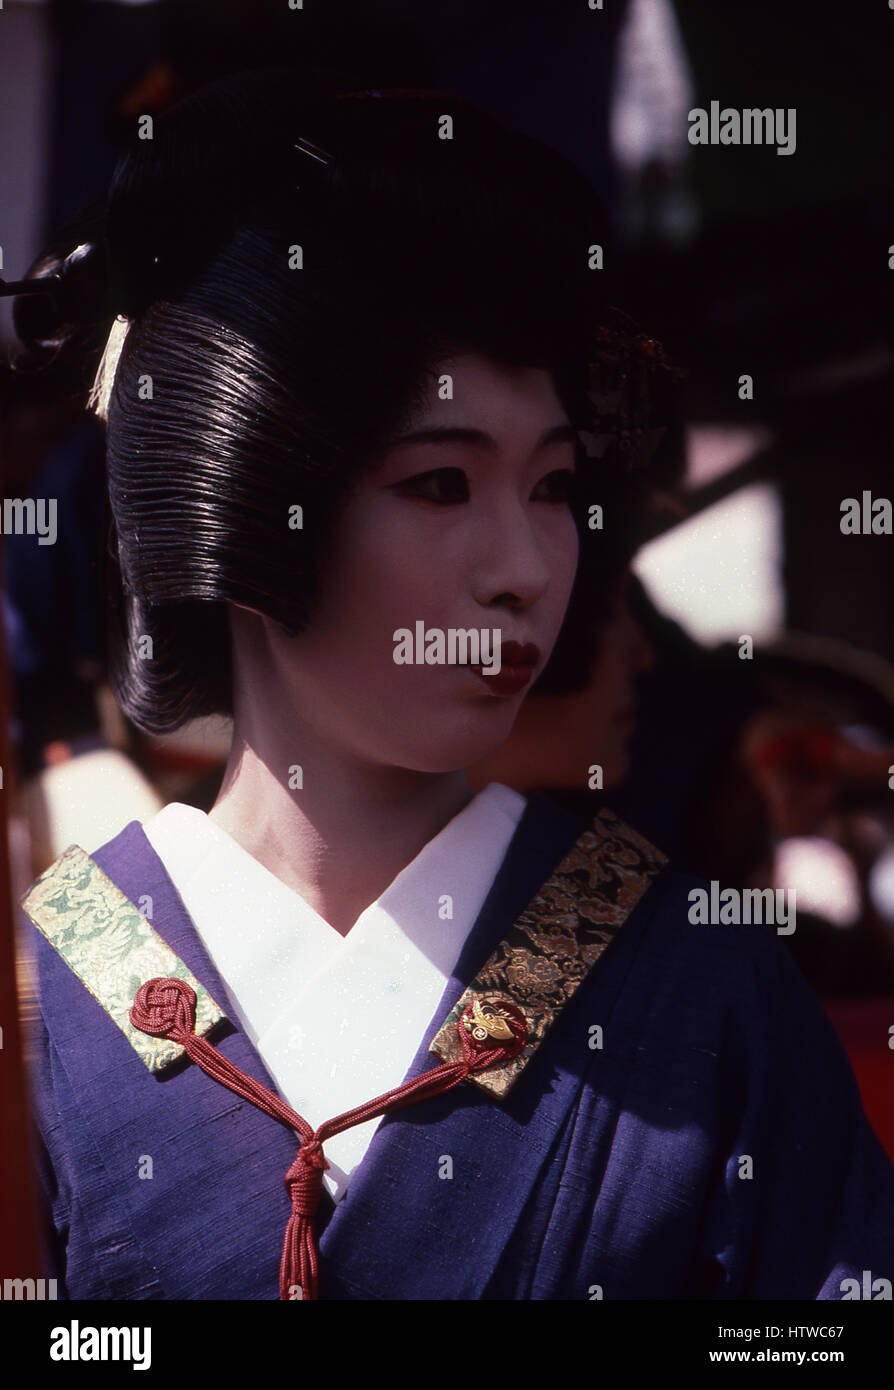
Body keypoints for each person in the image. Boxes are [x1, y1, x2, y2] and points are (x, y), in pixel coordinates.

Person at [10, 68, 894, 1302]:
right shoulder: (47, 987)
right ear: (252, 513)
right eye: (440, 485)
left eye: (550, 489)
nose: (527, 570)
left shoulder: (704, 991)